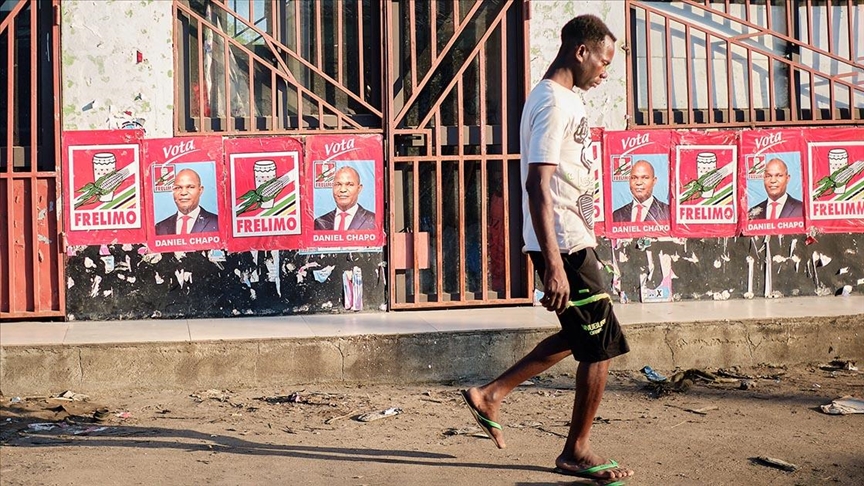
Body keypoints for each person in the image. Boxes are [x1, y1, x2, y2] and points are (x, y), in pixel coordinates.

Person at [460, 14, 633, 484]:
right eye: (603, 61)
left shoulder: (563, 98)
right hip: (564, 243)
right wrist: (554, 264)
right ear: (581, 51)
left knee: (585, 333)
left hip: (572, 238)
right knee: (599, 345)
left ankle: (491, 394)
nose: (605, 71)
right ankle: (576, 450)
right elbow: (537, 184)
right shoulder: (553, 102)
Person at [155, 168, 219, 235]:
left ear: (200, 190)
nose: (183, 192)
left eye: (190, 187)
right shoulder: (160, 228)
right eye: (178, 188)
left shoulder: (217, 223)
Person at [314, 166, 376, 231]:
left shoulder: (374, 220)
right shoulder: (319, 223)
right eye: (338, 184)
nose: (343, 190)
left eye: (350, 184)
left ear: (359, 188)